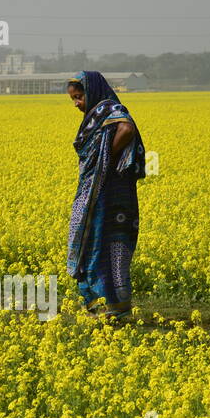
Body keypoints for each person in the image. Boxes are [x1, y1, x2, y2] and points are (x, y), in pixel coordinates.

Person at [65, 71, 146, 321]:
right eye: (73, 99)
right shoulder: (97, 114)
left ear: (92, 91)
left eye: (79, 97)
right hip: (101, 190)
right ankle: (108, 305)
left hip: (109, 193)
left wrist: (107, 159)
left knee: (107, 242)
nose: (77, 103)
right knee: (97, 241)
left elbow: (127, 128)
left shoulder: (109, 108)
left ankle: (112, 306)